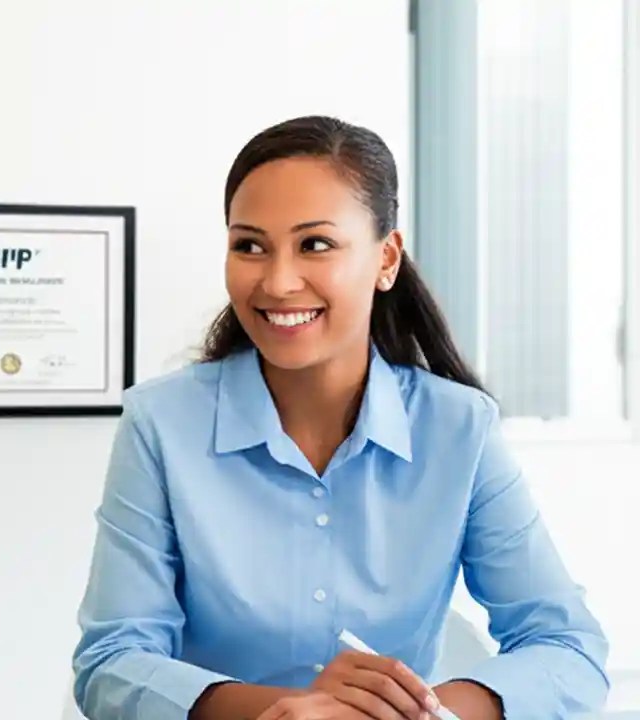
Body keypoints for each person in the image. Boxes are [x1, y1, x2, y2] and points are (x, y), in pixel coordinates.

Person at [72, 116, 608, 720]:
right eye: (250, 246)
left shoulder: (460, 428)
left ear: (386, 258)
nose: (278, 281)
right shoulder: (161, 423)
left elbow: (568, 647)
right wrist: (296, 711)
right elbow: (112, 661)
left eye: (315, 245)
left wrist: (408, 712)